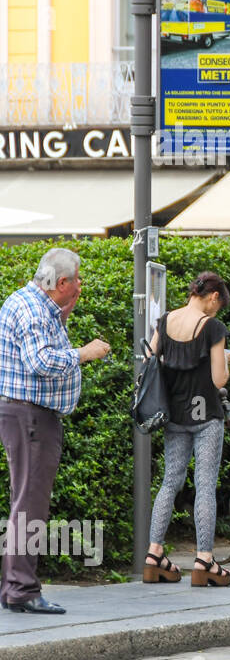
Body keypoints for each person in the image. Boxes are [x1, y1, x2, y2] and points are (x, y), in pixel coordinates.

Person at [0, 248, 110, 614]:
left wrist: (63, 315)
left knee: (24, 501)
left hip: (26, 415)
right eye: (76, 280)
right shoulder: (32, 310)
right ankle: (22, 588)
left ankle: (14, 585)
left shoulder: (36, 305)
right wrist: (85, 352)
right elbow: (41, 361)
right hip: (30, 416)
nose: (80, 286)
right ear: (61, 282)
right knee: (30, 504)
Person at [144, 272, 230, 586]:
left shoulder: (165, 321)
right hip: (206, 415)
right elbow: (219, 380)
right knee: (205, 486)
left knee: (170, 482)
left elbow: (149, 359)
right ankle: (204, 560)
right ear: (213, 297)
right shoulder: (213, 328)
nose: (216, 310)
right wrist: (227, 360)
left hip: (174, 415)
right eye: (218, 304)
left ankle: (154, 553)